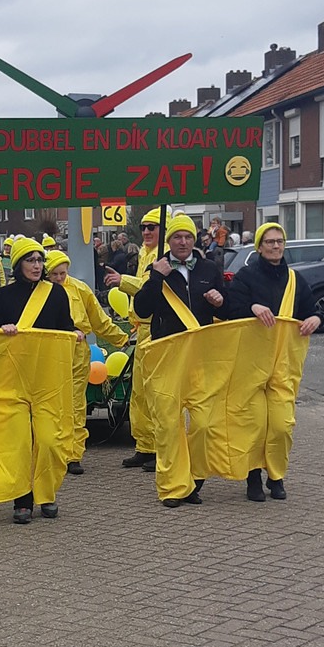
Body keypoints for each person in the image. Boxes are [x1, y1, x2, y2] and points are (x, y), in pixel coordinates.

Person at [133, 215, 228, 507]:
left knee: (205, 423)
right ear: (169, 241)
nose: (183, 242)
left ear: (194, 239)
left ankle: (194, 479)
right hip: (166, 354)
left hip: (200, 356)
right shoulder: (158, 267)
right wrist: (156, 277)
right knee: (168, 425)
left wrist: (220, 302)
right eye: (177, 237)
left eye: (188, 237)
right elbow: (142, 308)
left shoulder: (209, 268)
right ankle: (173, 486)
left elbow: (228, 310)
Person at [228, 222, 321, 502]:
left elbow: (310, 310)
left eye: (280, 241)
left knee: (281, 425)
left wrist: (315, 319)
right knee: (254, 424)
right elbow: (231, 310)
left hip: (284, 366)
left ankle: (276, 475)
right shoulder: (245, 276)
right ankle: (253, 478)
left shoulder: (294, 279)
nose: (276, 246)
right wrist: (251, 307)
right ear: (259, 246)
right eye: (270, 242)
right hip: (251, 364)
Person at [0, 238, 77, 524]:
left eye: (40, 261)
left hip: (47, 379)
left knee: (49, 441)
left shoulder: (56, 294)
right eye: (31, 260)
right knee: (18, 444)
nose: (38, 266)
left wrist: (74, 333)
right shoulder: (1, 297)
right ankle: (23, 500)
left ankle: (47, 493)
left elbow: (64, 326)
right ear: (18, 264)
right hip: (12, 379)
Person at [45, 250, 128, 475]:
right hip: (48, 351)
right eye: (54, 274)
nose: (60, 277)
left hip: (77, 353)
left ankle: (73, 455)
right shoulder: (40, 290)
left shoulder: (80, 289)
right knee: (51, 404)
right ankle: (52, 452)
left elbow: (99, 319)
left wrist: (121, 338)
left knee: (75, 404)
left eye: (63, 273)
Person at [105, 207, 167, 470]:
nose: (146, 232)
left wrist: (123, 281)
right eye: (143, 227)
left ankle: (160, 448)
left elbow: (151, 287)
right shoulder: (145, 253)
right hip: (142, 328)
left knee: (155, 393)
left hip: (157, 329)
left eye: (152, 227)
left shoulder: (163, 256)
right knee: (139, 392)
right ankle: (144, 446)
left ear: (163, 230)